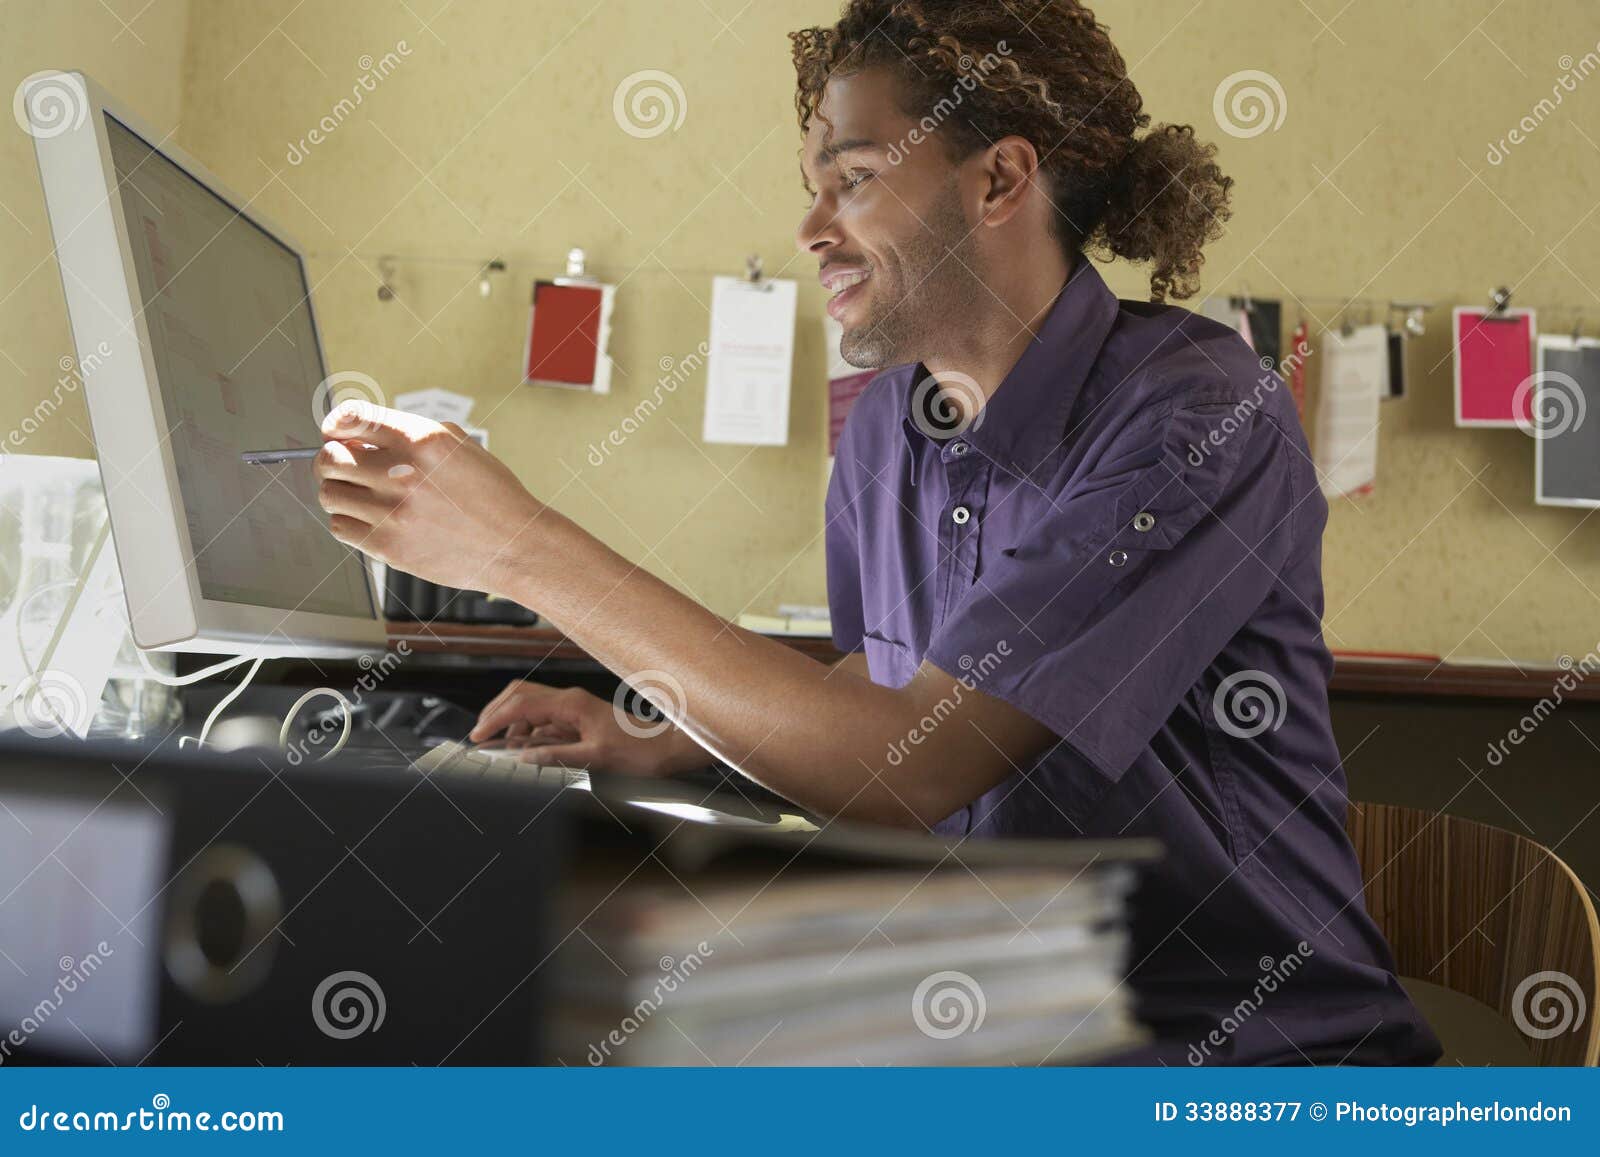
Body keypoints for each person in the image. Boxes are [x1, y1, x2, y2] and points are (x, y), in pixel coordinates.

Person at [314, 0, 1441, 1065]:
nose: (810, 230)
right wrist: (661, 731)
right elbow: (881, 680)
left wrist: (516, 546)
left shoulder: (1196, 413)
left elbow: (911, 760)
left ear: (999, 178)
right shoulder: (887, 431)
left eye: (851, 182)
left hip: (1234, 1056)